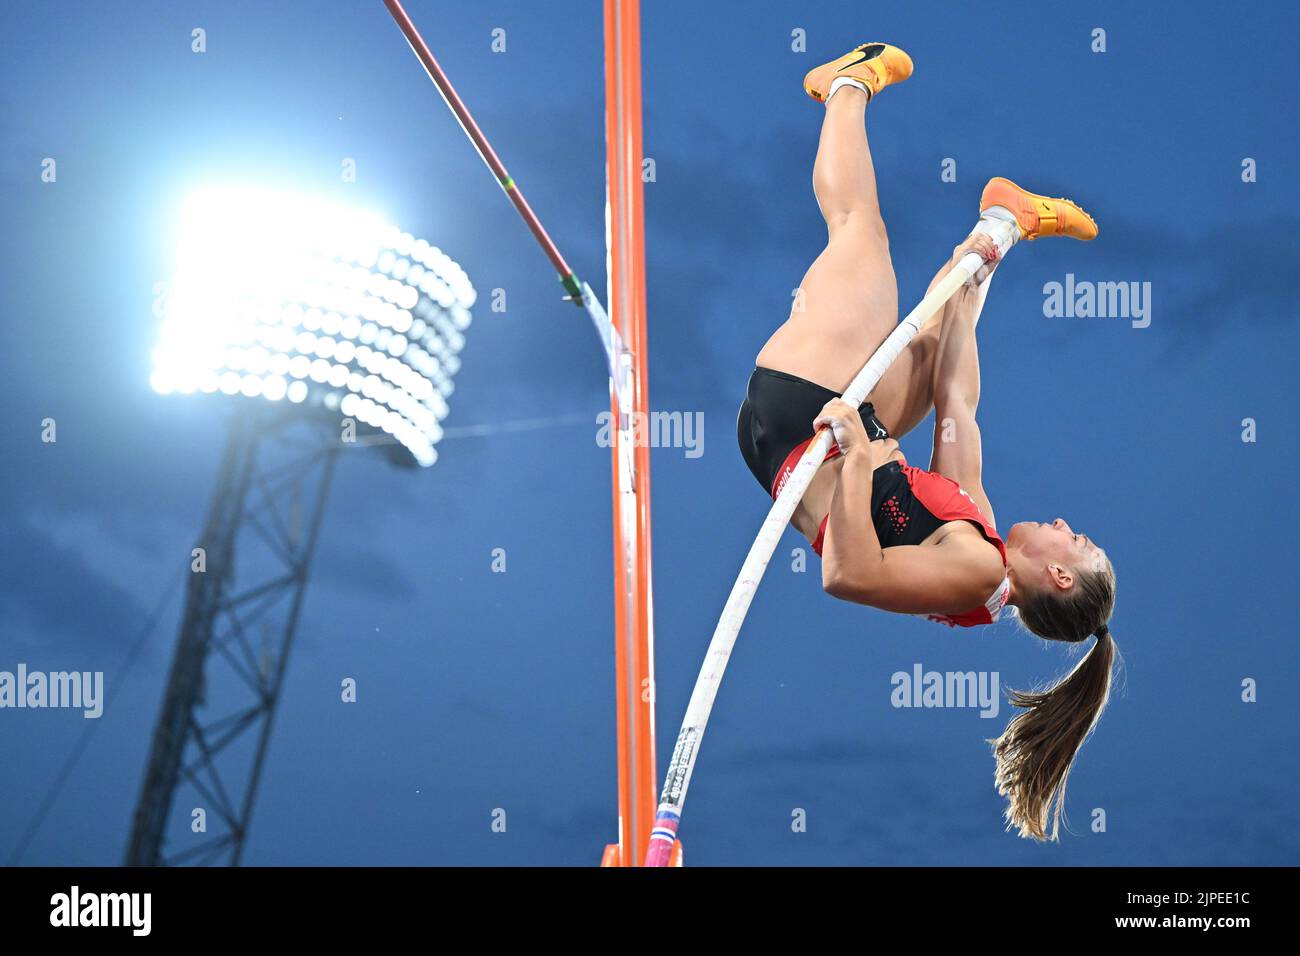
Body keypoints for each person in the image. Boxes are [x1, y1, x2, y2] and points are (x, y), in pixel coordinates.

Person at [735, 42, 1116, 841]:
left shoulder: (974, 567)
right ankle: (1005, 222)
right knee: (936, 339)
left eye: (1073, 539)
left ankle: (843, 84)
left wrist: (855, 453)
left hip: (806, 421)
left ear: (1055, 573)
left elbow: (848, 573)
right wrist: (976, 279)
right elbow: (955, 404)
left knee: (860, 234)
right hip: (828, 431)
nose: (1062, 521)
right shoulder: (973, 530)